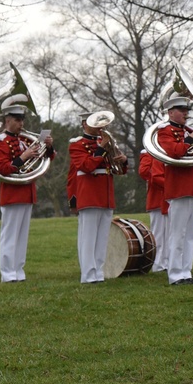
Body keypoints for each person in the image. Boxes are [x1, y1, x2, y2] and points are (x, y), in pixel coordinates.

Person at [0, 98, 55, 283]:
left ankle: (18, 271)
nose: (21, 124)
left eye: (22, 120)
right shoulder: (0, 141)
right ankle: (7, 273)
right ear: (7, 120)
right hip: (11, 194)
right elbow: (2, 168)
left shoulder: (24, 140)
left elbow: (47, 157)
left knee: (21, 237)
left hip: (27, 192)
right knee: (10, 236)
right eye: (17, 120)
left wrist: (48, 146)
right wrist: (23, 156)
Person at [157, 94, 193, 285]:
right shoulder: (164, 131)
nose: (185, 114)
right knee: (177, 234)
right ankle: (175, 274)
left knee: (190, 235)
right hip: (179, 188)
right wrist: (190, 138)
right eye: (181, 111)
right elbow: (175, 152)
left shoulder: (188, 130)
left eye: (186, 110)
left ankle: (186, 272)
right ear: (171, 112)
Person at [69, 113, 128, 283]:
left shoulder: (105, 143)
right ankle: (88, 275)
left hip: (106, 193)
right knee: (88, 237)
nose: (99, 127)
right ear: (84, 124)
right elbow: (86, 166)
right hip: (89, 193)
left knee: (102, 237)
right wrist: (101, 148)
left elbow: (118, 170)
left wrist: (123, 161)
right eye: (94, 123)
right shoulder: (77, 145)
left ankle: (98, 273)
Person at [137, 148, 168, 273]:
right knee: (158, 234)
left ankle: (167, 262)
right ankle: (157, 264)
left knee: (170, 233)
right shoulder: (148, 153)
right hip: (157, 197)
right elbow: (143, 172)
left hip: (171, 198)